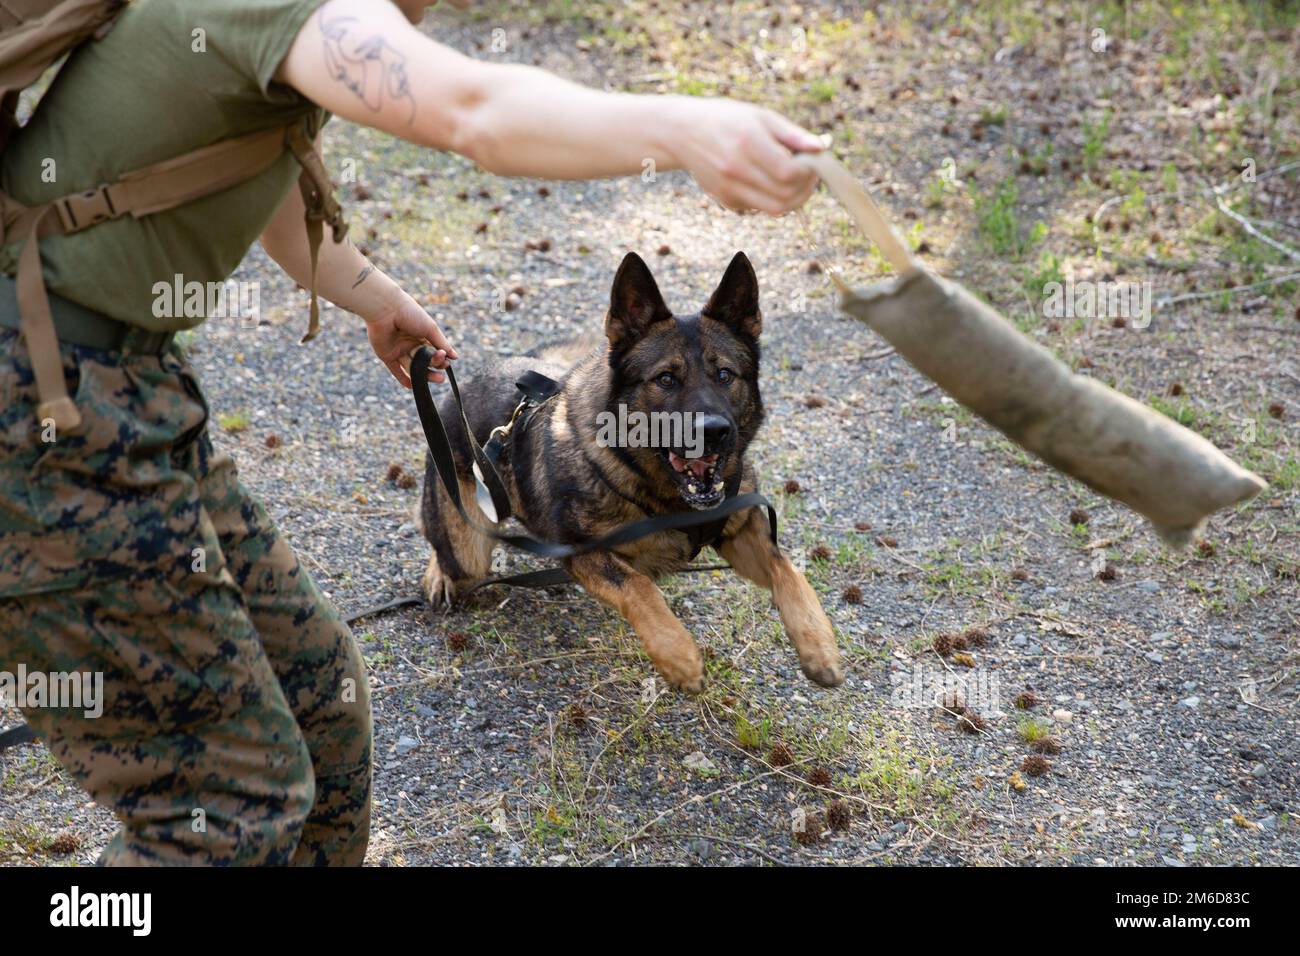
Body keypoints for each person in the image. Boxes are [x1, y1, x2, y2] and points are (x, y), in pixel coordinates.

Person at [0, 0, 821, 865]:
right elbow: (477, 112)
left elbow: (262, 198)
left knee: (322, 702)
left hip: (130, 391)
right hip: (44, 413)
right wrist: (690, 127)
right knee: (229, 803)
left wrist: (373, 295)